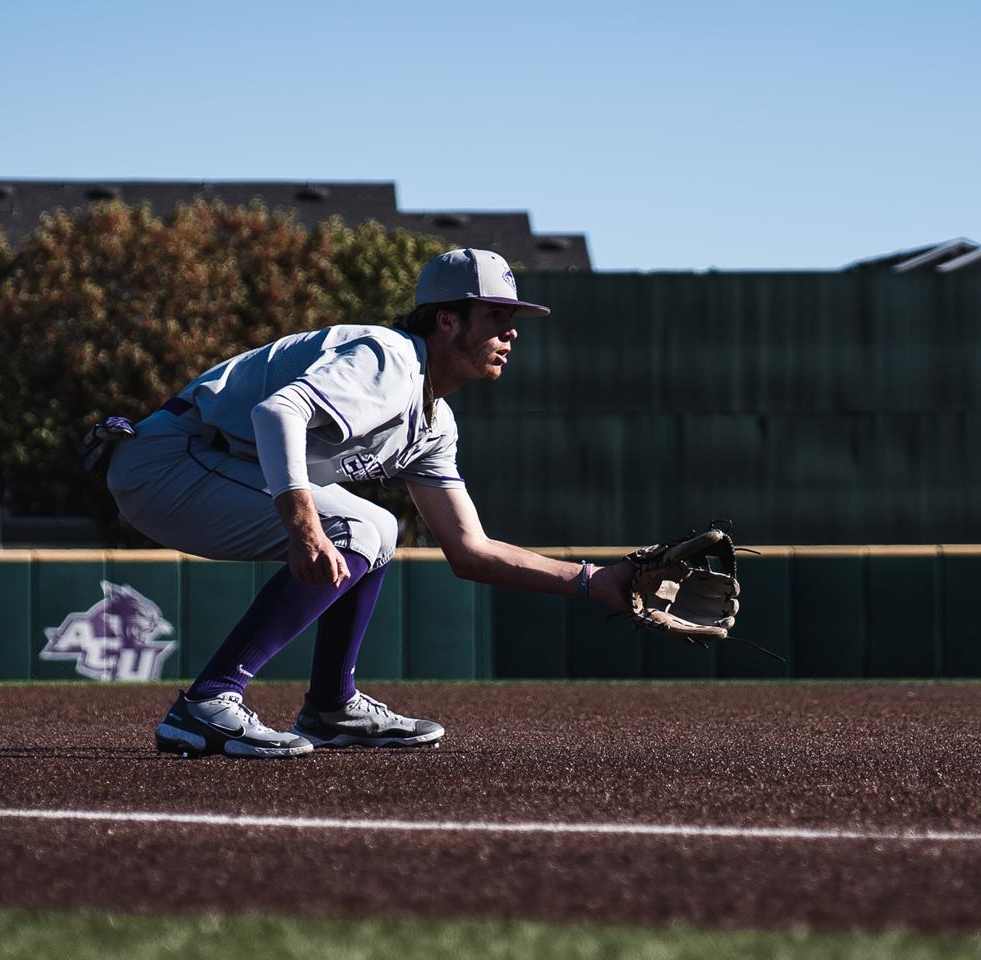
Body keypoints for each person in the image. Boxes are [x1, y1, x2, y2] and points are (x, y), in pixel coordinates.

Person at [106, 247, 632, 759]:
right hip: (169, 461)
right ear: (447, 320)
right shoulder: (390, 358)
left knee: (377, 526)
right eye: (495, 315)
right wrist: (305, 529)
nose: (511, 331)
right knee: (355, 527)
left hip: (211, 466)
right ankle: (208, 700)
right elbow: (278, 412)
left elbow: (470, 550)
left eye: (512, 318)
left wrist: (594, 580)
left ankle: (331, 707)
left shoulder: (434, 421)